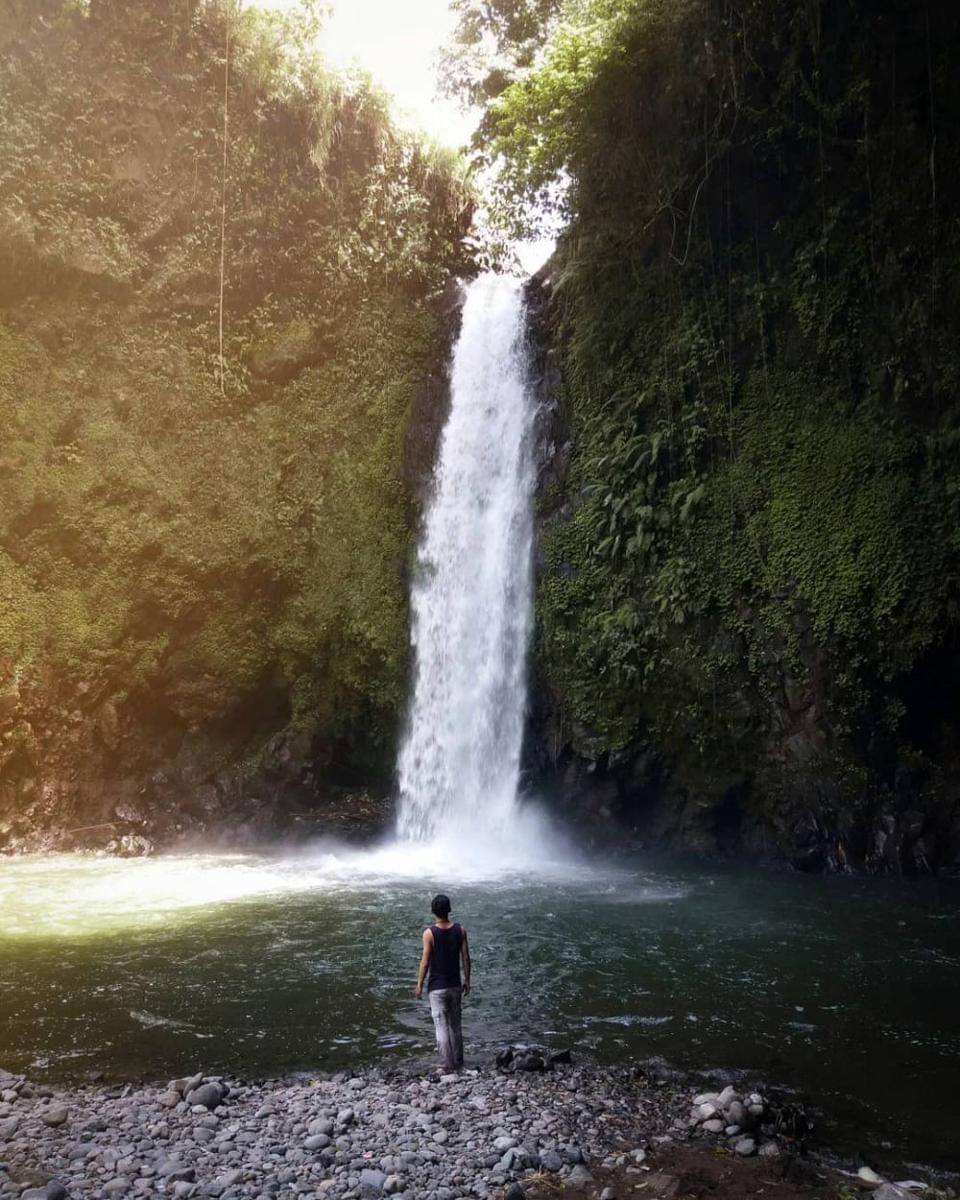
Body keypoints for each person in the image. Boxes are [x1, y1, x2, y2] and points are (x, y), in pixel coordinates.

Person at [414, 892, 471, 1072]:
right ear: (449, 910)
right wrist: (467, 980)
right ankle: (459, 1060)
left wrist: (419, 985)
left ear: (433, 911)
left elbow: (425, 961)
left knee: (441, 1026)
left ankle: (448, 1064)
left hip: (437, 987)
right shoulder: (460, 930)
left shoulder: (429, 933)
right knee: (455, 1024)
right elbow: (466, 958)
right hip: (455, 985)